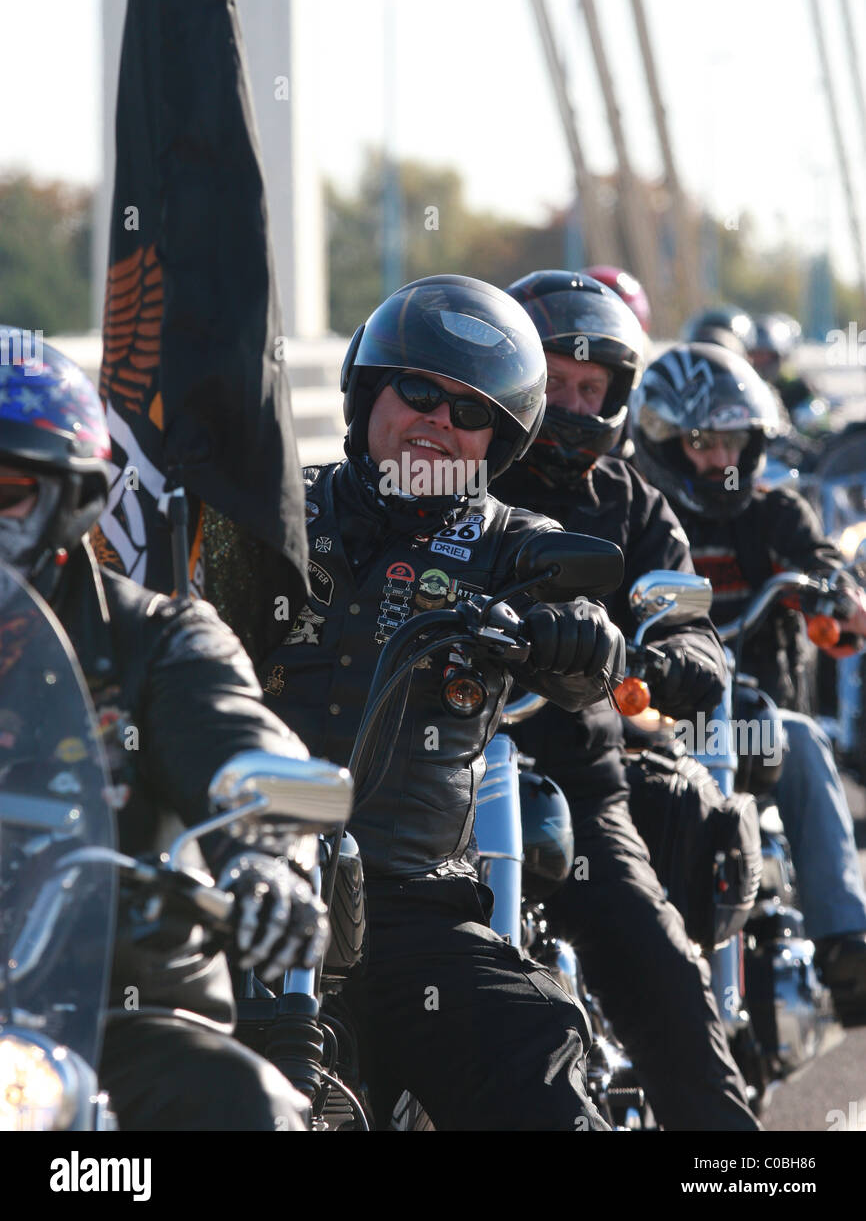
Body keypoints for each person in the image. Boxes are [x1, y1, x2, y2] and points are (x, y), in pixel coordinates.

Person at [257, 274, 627, 1132]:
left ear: (494, 441)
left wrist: (578, 639)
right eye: (418, 390)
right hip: (243, 889)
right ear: (367, 391)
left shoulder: (510, 543)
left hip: (405, 909)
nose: (437, 421)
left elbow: (583, 638)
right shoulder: (272, 515)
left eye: (469, 412)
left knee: (535, 1045)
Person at [0, 332, 330, 1130]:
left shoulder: (157, 638)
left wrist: (262, 858)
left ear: (71, 499)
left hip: (114, 1013)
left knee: (249, 1106)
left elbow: (237, 740)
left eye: (3, 489)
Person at [495, 270, 759, 1131]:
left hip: (572, 782)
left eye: (591, 388)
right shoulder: (457, 469)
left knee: (668, 978)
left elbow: (690, 625)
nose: (572, 404)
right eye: (555, 382)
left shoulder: (631, 503)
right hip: (419, 781)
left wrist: (667, 658)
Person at [631, 340, 866, 1025]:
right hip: (655, 714)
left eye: (736, 440)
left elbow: (822, 562)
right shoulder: (639, 513)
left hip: (750, 720)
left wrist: (832, 593)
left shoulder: (772, 514)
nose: (722, 460)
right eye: (704, 441)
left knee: (794, 736)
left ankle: (843, 939)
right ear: (662, 438)